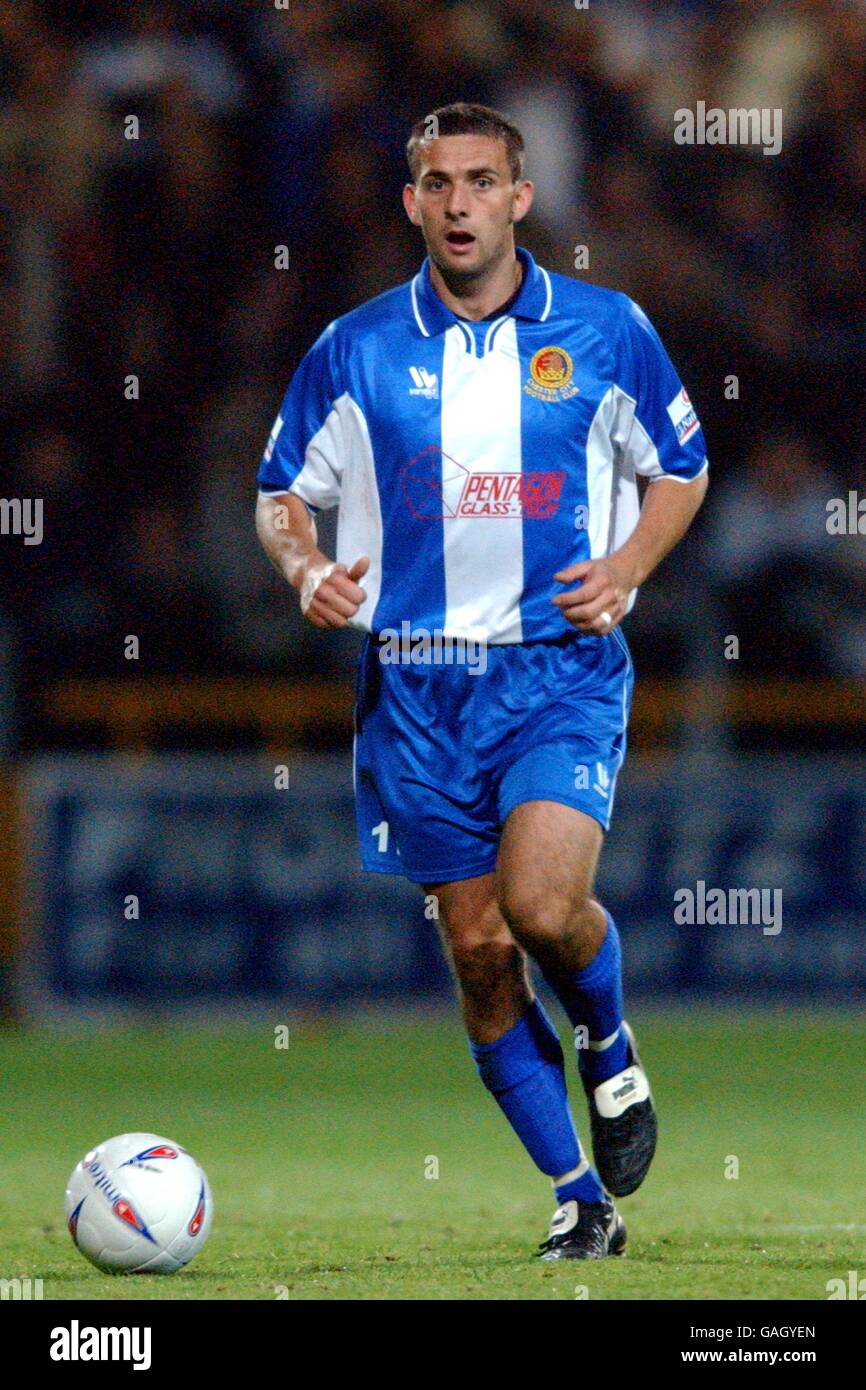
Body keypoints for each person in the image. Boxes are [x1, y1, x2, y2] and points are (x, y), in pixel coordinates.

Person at [255, 102, 708, 1260]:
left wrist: (625, 564)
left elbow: (682, 464)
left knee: (543, 905)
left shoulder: (604, 330)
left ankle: (607, 1042)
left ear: (519, 196)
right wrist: (304, 565)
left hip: (554, 671)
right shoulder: (354, 347)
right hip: (414, 690)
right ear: (411, 202)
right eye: (437, 183)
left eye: (480, 181)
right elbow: (277, 492)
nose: (458, 203)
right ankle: (577, 1196)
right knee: (477, 948)